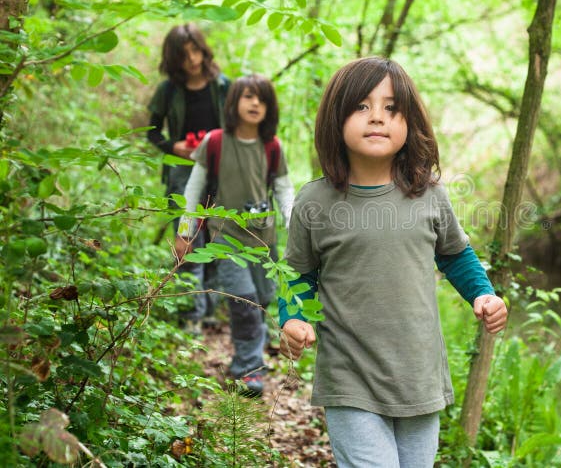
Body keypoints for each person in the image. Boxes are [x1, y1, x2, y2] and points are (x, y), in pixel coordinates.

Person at [278, 57, 508, 467]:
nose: (377, 118)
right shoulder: (315, 201)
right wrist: (292, 319)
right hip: (351, 377)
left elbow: (455, 254)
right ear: (336, 118)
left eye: (391, 108)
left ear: (410, 121)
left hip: (419, 377)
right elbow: (299, 274)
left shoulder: (430, 195)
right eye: (362, 107)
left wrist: (484, 295)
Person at [174, 74, 295, 396]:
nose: (256, 104)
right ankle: (248, 369)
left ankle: (251, 347)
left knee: (264, 297)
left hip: (264, 240)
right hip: (225, 239)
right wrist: (185, 233)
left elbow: (283, 192)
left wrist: (296, 228)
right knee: (245, 301)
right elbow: (193, 190)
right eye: (249, 97)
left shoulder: (272, 146)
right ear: (234, 102)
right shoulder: (214, 142)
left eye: (263, 99)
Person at [146, 23, 230, 335]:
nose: (192, 59)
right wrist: (174, 146)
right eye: (184, 55)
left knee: (219, 233)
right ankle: (189, 311)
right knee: (188, 237)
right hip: (183, 170)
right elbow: (151, 132)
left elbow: (239, 127)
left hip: (220, 168)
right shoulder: (168, 90)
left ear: (203, 49)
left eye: (195, 50)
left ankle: (208, 308)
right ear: (173, 59)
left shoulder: (222, 86)